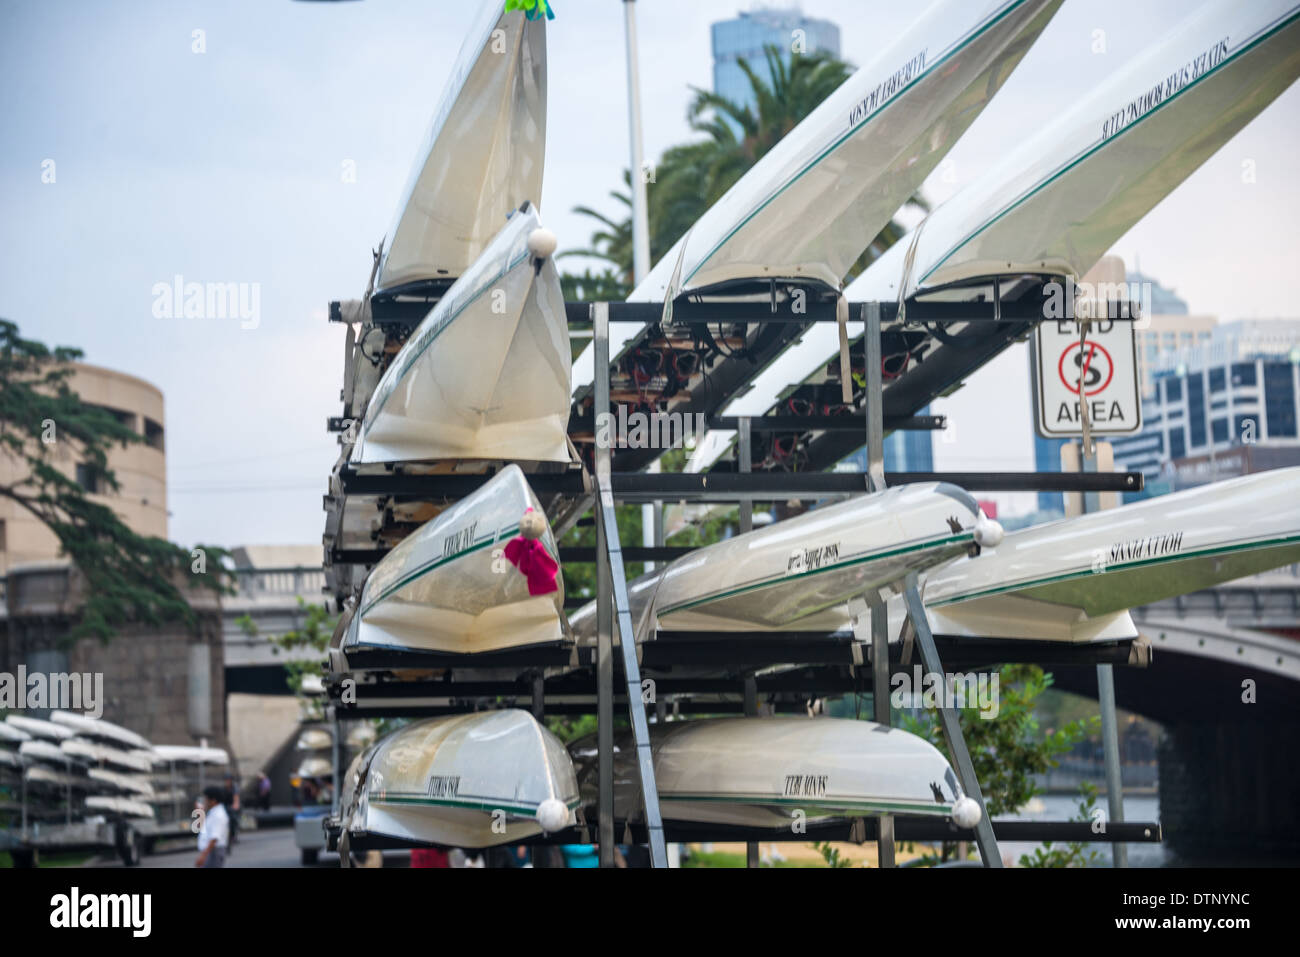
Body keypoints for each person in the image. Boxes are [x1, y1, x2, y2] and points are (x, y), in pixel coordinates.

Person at [195, 786, 230, 868]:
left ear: (213, 800)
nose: (205, 802)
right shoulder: (213, 812)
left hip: (213, 852)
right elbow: (203, 829)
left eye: (206, 799)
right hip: (211, 851)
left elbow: (214, 838)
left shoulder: (218, 815)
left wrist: (203, 856)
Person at [223, 775, 241, 846]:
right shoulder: (224, 788)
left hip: (231, 806)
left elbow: (236, 798)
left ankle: (233, 835)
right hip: (225, 806)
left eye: (228, 780)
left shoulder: (234, 788)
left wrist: (235, 805)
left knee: (233, 819)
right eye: (226, 780)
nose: (227, 782)